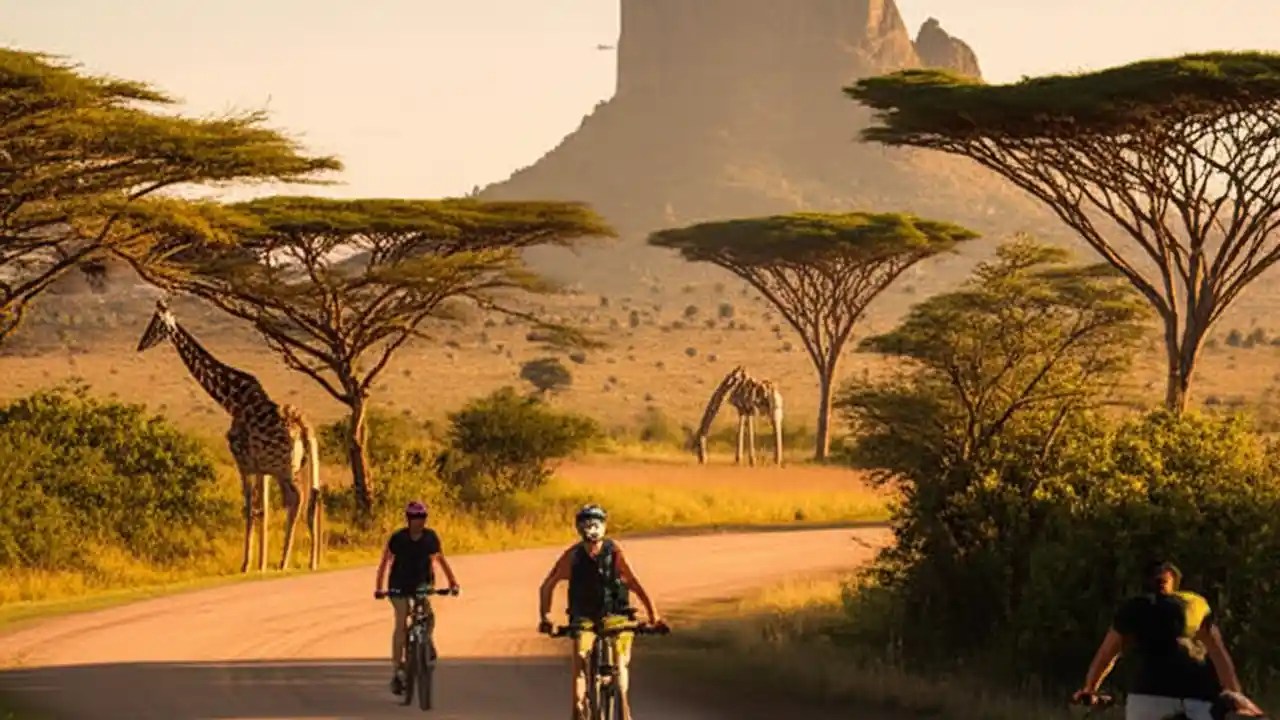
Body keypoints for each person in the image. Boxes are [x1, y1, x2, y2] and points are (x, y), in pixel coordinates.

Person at [1073, 560, 1264, 720]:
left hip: (1146, 698)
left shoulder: (1134, 609)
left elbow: (1107, 655)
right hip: (1197, 700)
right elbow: (1218, 652)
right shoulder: (1193, 605)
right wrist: (1236, 696)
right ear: (1174, 581)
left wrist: (1090, 689)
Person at [538, 504, 667, 720]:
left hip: (605, 616)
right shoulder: (599, 553)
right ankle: (594, 709)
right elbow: (633, 582)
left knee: (590, 661)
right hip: (603, 616)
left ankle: (589, 709)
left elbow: (547, 585)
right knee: (598, 659)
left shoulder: (578, 555)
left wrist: (546, 617)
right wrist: (654, 617)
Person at [374, 500, 460, 696]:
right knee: (401, 620)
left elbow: (440, 559)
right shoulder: (398, 538)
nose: (418, 521)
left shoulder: (430, 538)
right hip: (399, 585)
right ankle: (397, 671)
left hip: (422, 583)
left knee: (427, 614)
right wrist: (379, 588)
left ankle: (426, 641)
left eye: (422, 517)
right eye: (414, 518)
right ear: (408, 519)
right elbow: (385, 562)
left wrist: (453, 583)